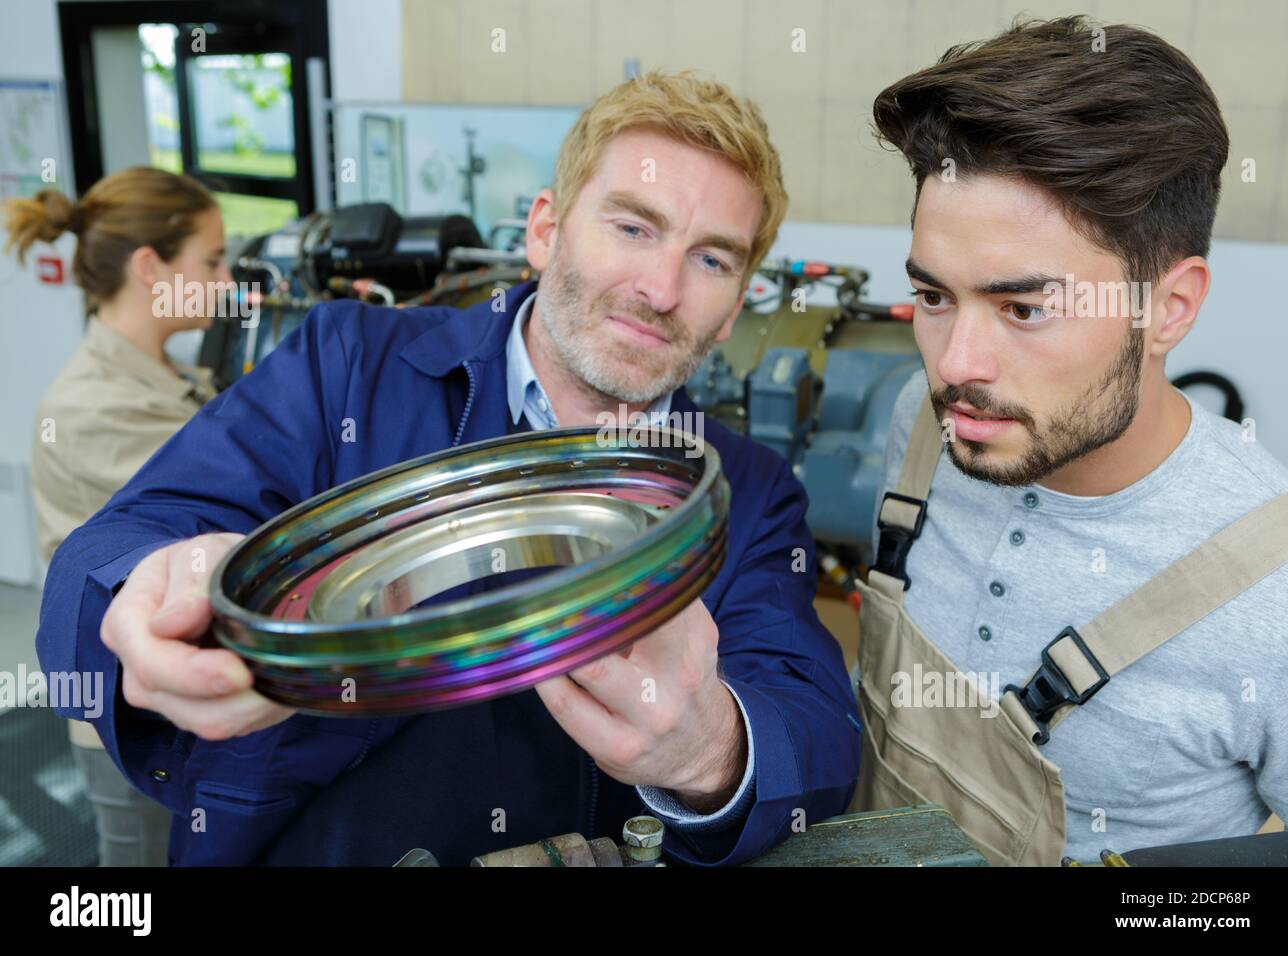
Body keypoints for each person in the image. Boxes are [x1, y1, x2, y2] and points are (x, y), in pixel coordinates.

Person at [35, 71, 861, 866]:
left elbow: (813, 721)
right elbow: (117, 546)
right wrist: (151, 587)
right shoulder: (346, 363)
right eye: (633, 227)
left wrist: (714, 749)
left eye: (713, 260)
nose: (661, 287)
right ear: (545, 231)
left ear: (733, 312)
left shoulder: (747, 491)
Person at [852, 16, 1288, 865]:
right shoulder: (920, 418)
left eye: (1024, 308)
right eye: (934, 297)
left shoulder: (1281, 596)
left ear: (1168, 308)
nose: (956, 365)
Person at [6, 166, 230, 865]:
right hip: (130, 722)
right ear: (149, 267)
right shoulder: (93, 409)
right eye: (213, 261)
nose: (228, 284)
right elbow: (220, 521)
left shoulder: (167, 372)